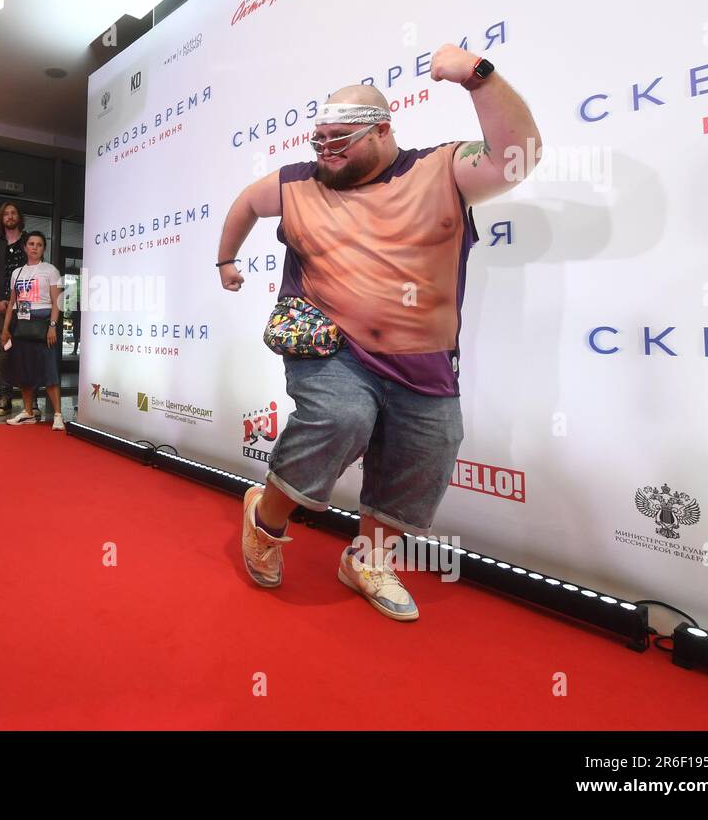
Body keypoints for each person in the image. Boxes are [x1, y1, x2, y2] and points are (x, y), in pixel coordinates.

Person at [218, 49, 541, 622]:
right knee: (341, 418)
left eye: (339, 142)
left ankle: (366, 560)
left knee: (430, 447)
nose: (325, 153)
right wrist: (226, 260)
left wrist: (477, 76)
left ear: (384, 130)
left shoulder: (441, 169)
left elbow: (515, 160)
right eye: (319, 141)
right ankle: (265, 522)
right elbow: (246, 201)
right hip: (331, 344)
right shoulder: (299, 183)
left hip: (426, 358)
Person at [0, 231, 64, 431]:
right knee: (23, 370)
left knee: (49, 370)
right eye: (31, 243)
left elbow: (58, 302)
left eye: (39, 244)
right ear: (25, 247)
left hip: (44, 324)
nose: (35, 247)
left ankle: (58, 415)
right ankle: (28, 412)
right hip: (22, 324)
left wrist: (53, 326)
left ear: (43, 249)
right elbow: (12, 303)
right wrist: (5, 329)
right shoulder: (16, 273)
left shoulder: (50, 270)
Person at [0, 203, 29, 418]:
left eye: (13, 213)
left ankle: (31, 401)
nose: (10, 217)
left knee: (27, 351)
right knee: (4, 352)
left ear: (19, 217)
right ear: (1, 219)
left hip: (27, 306)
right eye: (6, 214)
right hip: (0, 306)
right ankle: (5, 398)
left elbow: (37, 271)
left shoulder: (29, 241)